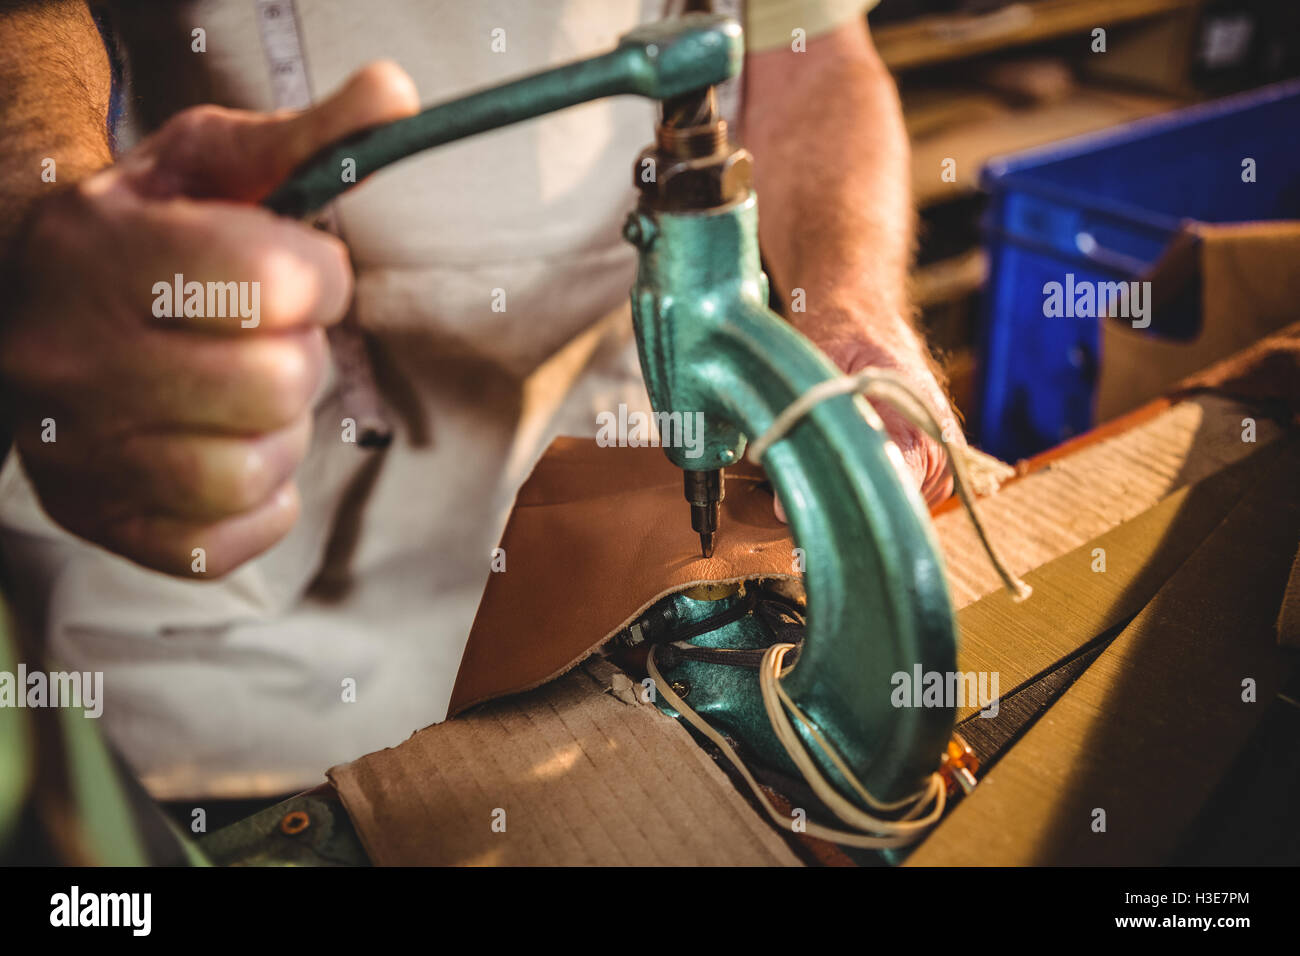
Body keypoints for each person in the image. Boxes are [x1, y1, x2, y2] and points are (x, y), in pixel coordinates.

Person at [0, 0, 958, 800]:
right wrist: (44, 213)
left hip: (602, 498)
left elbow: (812, 51)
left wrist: (853, 311)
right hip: (210, 519)